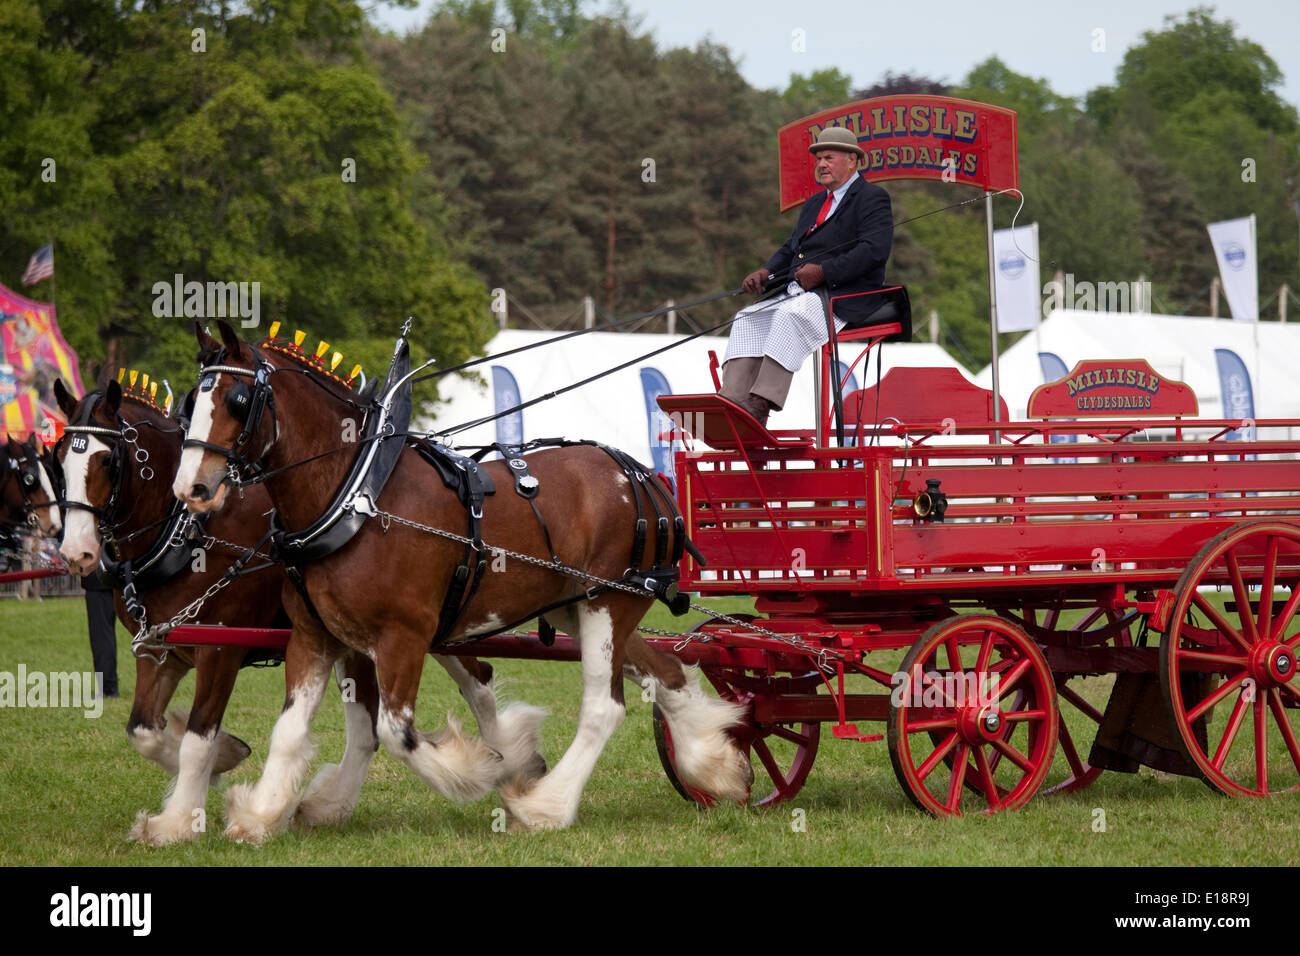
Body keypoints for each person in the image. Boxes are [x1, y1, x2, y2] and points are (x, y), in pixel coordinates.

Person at [718, 127, 894, 426]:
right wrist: (767, 272)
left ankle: (761, 403)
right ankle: (732, 399)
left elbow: (874, 251)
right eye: (818, 159)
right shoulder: (815, 203)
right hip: (803, 292)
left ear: (852, 161)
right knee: (747, 317)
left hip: (846, 294)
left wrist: (825, 271)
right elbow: (792, 248)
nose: (821, 164)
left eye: (829, 157)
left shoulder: (872, 198)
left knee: (790, 315)